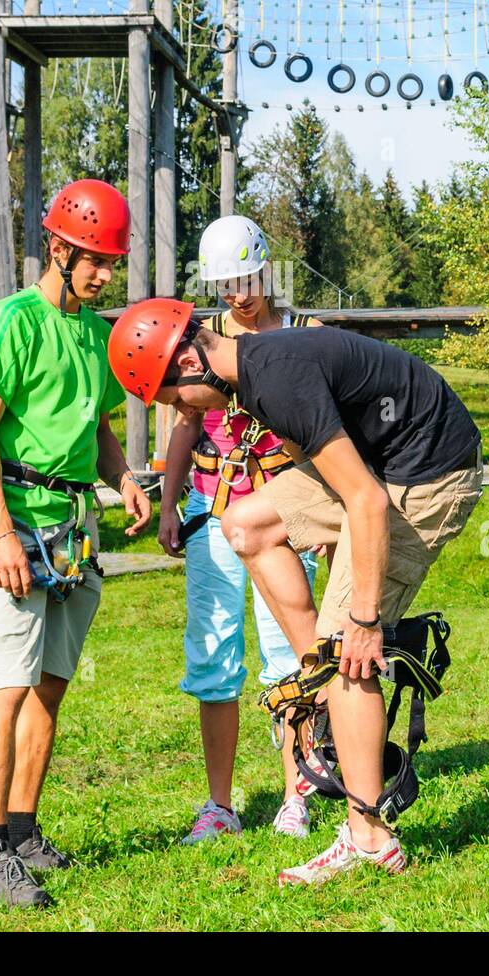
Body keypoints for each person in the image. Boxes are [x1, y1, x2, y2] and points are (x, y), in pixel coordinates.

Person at [108, 301, 482, 886]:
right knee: (245, 523)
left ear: (188, 359)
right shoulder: (256, 373)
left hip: (429, 474)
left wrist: (361, 618)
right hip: (383, 465)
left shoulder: (276, 376)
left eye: (177, 399)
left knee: (349, 653)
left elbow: (366, 502)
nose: (183, 411)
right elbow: (329, 471)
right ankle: (322, 681)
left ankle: (370, 836)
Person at [0, 179, 152, 909]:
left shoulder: (99, 336)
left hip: (73, 530)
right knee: (4, 691)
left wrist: (123, 477)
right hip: (15, 524)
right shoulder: (11, 322)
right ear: (58, 247)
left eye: (111, 261)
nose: (105, 273)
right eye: (94, 258)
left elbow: (98, 429)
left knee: (49, 689)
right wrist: (0, 531)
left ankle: (24, 829)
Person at [157, 216, 322, 843]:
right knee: (215, 653)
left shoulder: (302, 338)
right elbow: (184, 426)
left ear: (265, 270)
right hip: (212, 512)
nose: (235, 296)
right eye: (223, 285)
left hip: (284, 516)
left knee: (292, 655)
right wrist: (169, 503)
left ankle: (297, 795)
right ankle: (219, 805)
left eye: (244, 281)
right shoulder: (201, 341)